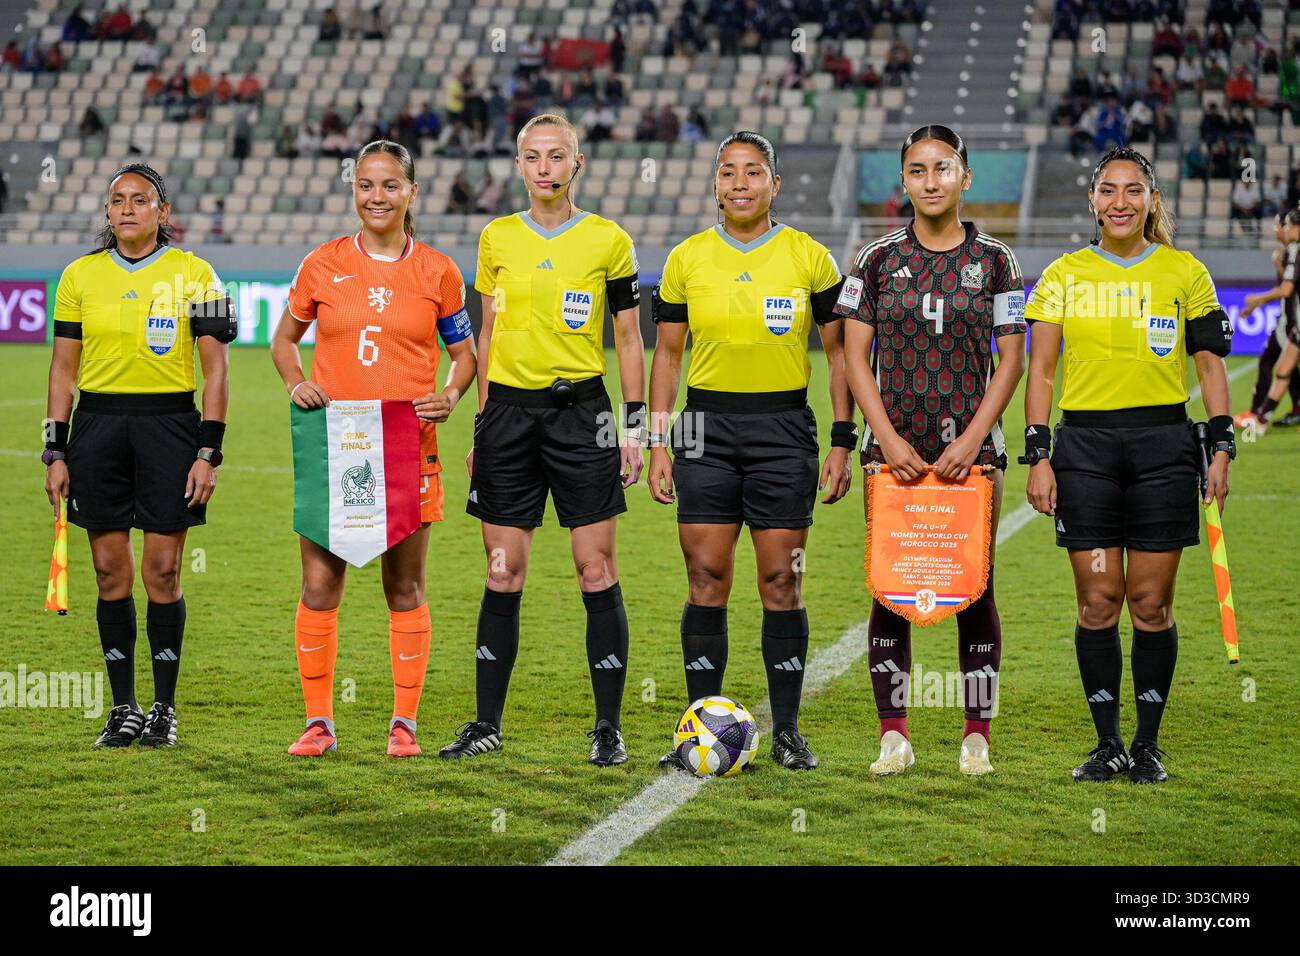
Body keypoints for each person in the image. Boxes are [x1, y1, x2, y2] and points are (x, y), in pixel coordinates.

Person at [1023, 145, 1234, 784]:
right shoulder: (1062, 274)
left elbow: (1210, 366)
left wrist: (1222, 446)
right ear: (1093, 201)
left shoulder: (1185, 272)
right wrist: (1038, 453)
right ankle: (1106, 741)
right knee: (1097, 602)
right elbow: (1040, 370)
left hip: (1164, 450)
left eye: (1133, 190)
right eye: (1108, 191)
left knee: (1149, 602)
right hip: (1084, 451)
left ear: (1151, 200)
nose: (1120, 202)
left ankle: (1147, 743)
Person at [441, 114, 645, 767]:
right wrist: (482, 421)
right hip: (508, 419)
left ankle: (608, 728)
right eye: (533, 157)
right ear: (521, 166)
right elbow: (487, 336)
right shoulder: (496, 236)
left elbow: (629, 338)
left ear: (577, 163)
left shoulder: (609, 241)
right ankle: (486, 724)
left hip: (581, 415)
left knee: (596, 568)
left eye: (557, 156)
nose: (545, 168)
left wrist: (634, 426)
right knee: (503, 572)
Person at [648, 131, 853, 772]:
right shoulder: (687, 259)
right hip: (704, 431)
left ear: (775, 184)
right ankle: (699, 728)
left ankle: (788, 730)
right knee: (706, 579)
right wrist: (658, 440)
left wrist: (843, 440)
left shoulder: (810, 257)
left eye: (754, 172)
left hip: (783, 432)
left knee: (780, 582)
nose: (740, 183)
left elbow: (842, 352)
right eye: (729, 172)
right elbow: (669, 355)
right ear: (715, 184)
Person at [270, 140, 477, 758]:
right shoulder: (323, 264)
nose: (376, 197)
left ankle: (404, 723)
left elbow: (465, 355)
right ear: (353, 191)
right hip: (337, 445)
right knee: (319, 585)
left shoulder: (437, 271)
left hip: (409, 446)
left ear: (412, 192)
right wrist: (296, 380)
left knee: (405, 586)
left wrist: (451, 393)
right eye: (365, 185)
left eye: (390, 186)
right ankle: (319, 723)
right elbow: (285, 341)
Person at [838, 125, 1026, 777]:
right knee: (891, 593)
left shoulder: (999, 260)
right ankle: (894, 736)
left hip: (973, 459)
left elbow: (1012, 362)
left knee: (975, 590)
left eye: (942, 169)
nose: (931, 181)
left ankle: (977, 737)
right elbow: (854, 358)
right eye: (917, 170)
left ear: (965, 176)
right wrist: (886, 439)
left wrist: (972, 438)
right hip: (889, 458)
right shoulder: (876, 259)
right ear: (904, 181)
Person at [43, 164, 233, 749]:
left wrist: (209, 450)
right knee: (109, 573)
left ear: (163, 213)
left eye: (140, 200)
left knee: (164, 572)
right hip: (97, 429)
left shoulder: (196, 273)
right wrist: (54, 447)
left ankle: (164, 708)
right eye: (117, 200)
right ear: (107, 212)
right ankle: (123, 708)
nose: (127, 209)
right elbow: (62, 369)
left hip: (170, 429)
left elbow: (217, 369)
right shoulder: (78, 276)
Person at [1236, 209, 1300, 429]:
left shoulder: (1293, 250)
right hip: (1295, 323)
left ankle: (1259, 415)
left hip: (1291, 319)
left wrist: (1257, 299)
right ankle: (1260, 420)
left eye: (1283, 224)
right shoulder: (1289, 251)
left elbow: (1287, 289)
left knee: (1276, 364)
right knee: (1283, 368)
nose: (1278, 229)